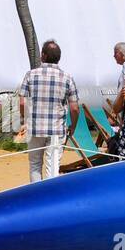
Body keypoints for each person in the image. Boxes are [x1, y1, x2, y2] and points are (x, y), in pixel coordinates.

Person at [19, 39, 79, 182]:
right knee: (52, 167)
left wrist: (25, 118)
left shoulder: (30, 75)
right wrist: (73, 126)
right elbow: (74, 108)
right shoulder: (67, 78)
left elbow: (22, 103)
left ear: (43, 55)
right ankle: (51, 197)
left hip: (34, 127)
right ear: (59, 57)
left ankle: (36, 196)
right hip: (56, 129)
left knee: (34, 165)